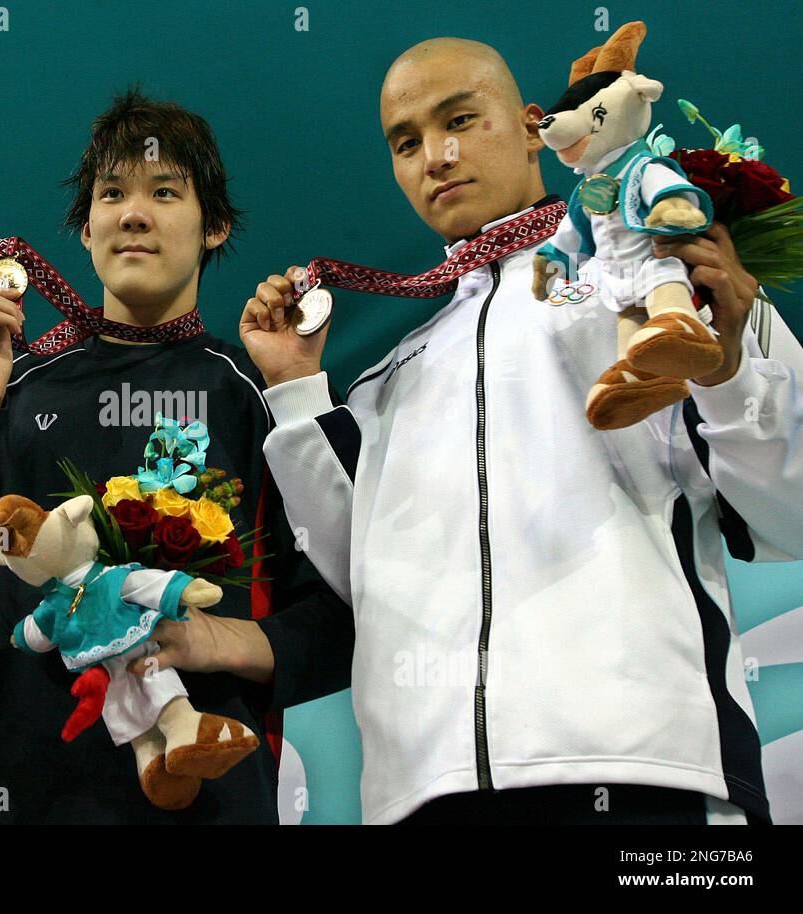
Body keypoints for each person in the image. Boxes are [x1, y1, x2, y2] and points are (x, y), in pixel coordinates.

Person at [170, 37, 801, 824]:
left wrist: (730, 371)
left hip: (647, 771)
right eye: (407, 143)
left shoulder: (651, 284)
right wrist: (297, 390)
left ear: (536, 128)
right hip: (423, 795)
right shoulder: (388, 383)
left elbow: (792, 512)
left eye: (459, 119)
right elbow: (354, 580)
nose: (437, 156)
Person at [0, 87, 351, 824]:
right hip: (11, 787)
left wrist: (218, 640)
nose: (132, 213)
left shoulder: (255, 391)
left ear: (213, 225)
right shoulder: (9, 383)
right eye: (111, 194)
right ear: (85, 229)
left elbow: (338, 620)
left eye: (164, 192)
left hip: (201, 791)